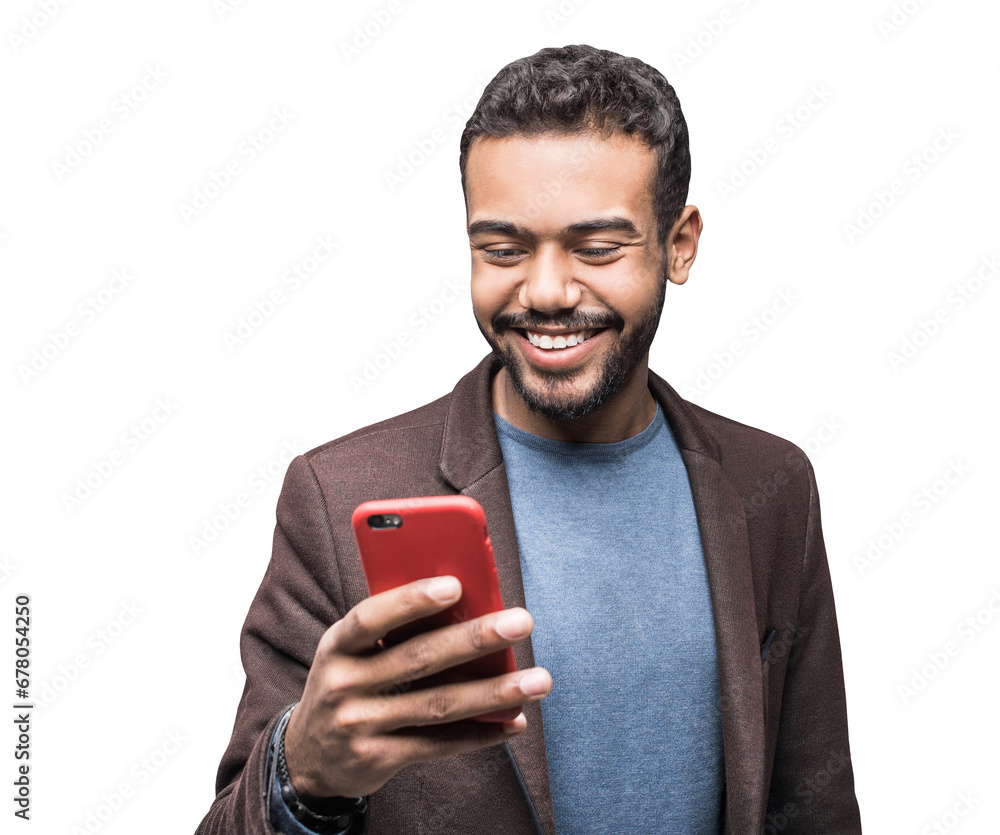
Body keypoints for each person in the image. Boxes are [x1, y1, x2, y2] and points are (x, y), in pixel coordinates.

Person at [196, 45, 862, 835]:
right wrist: (302, 774)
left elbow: (814, 808)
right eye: (503, 249)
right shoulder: (338, 493)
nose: (544, 291)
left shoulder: (772, 485)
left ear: (679, 244)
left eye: (597, 248)